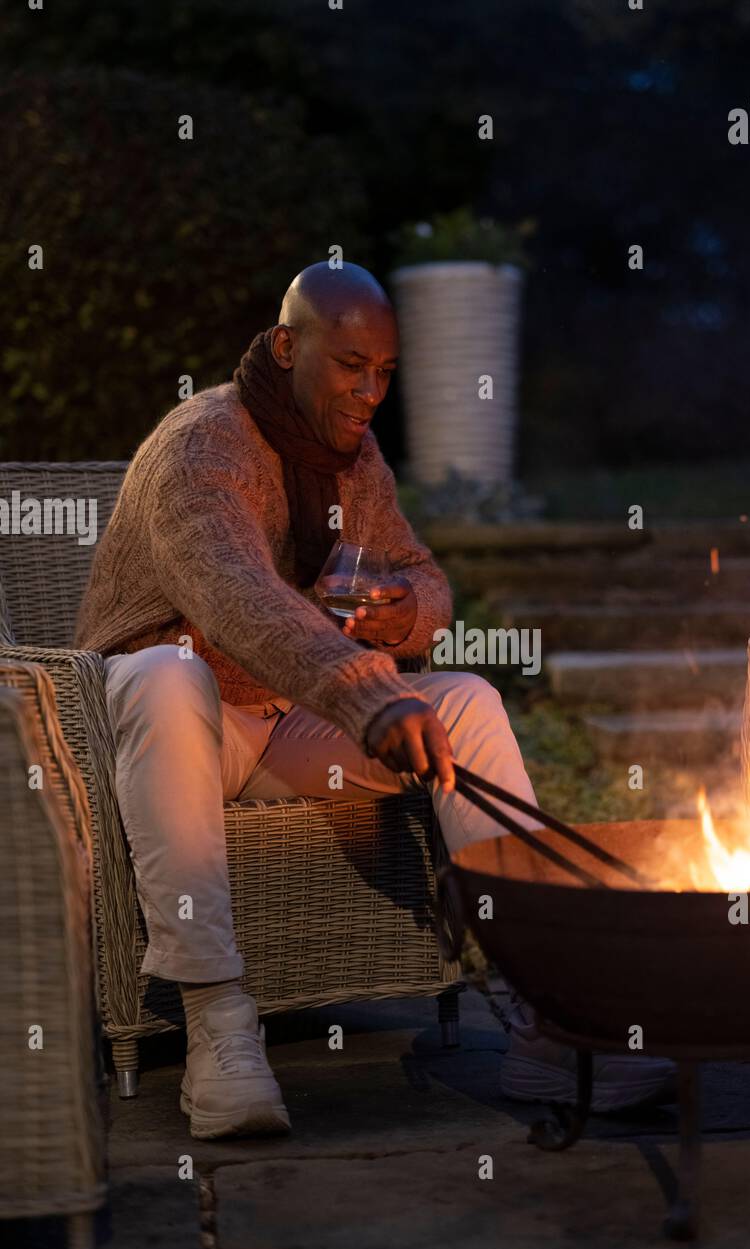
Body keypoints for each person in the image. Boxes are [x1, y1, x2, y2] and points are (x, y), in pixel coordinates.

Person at [75, 261, 675, 1139]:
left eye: (385, 373)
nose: (370, 392)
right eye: (351, 365)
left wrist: (402, 618)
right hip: (158, 721)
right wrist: (366, 695)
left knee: (465, 698)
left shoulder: (350, 459)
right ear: (287, 347)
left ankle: (547, 1015)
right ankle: (218, 1027)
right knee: (171, 673)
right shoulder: (203, 448)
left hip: (278, 719)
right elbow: (239, 598)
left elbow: (425, 580)